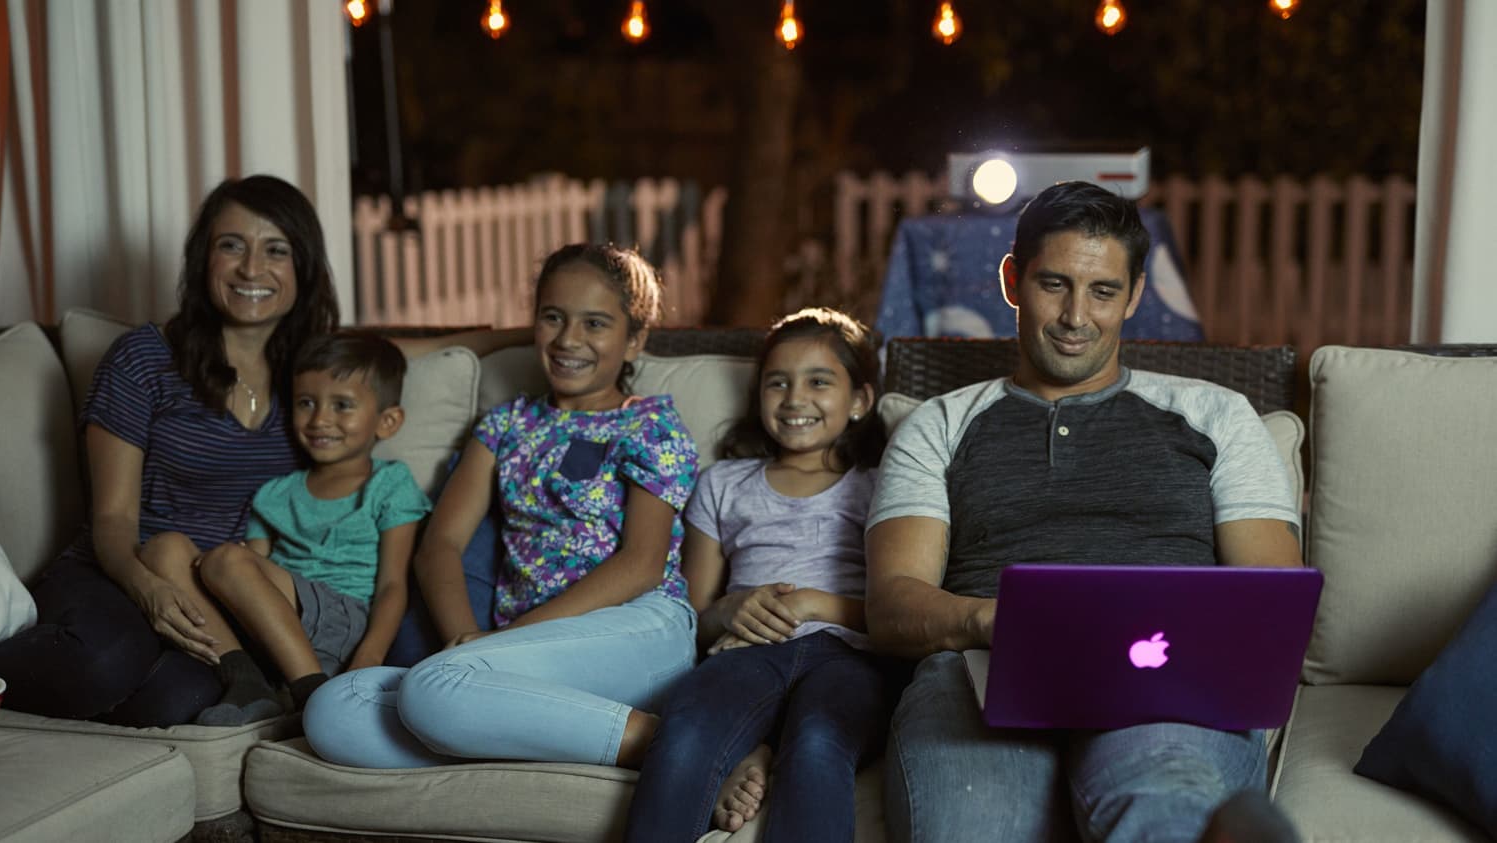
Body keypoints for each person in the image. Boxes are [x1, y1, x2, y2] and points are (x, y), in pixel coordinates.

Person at [865, 181, 1304, 843]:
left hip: (1163, 679)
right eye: (1054, 284)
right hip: (983, 669)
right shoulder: (938, 425)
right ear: (1013, 279)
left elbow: (1271, 606)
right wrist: (991, 619)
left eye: (1102, 291)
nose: (1076, 315)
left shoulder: (1217, 416)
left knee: (1164, 808)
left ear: (1133, 294)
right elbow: (893, 605)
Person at [302, 243, 699, 770]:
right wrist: (464, 642)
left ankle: (680, 745)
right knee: (335, 708)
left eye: (595, 324)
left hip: (638, 627)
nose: (568, 340)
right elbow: (439, 547)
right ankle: (513, 727)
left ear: (635, 340)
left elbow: (642, 564)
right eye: (552, 317)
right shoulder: (506, 424)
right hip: (512, 655)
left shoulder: (650, 425)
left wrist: (499, 645)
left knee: (435, 689)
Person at [0, 175, 340, 727]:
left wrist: (503, 338)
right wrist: (150, 591)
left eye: (276, 250)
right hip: (115, 572)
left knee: (180, 701)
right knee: (104, 662)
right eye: (232, 245)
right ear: (203, 259)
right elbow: (112, 519)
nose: (252, 269)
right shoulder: (143, 359)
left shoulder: (311, 379)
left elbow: (403, 354)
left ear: (304, 268)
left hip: (214, 600)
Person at [626, 307, 895, 843]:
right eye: (778, 383)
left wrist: (815, 604)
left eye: (819, 381)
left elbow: (905, 612)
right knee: (685, 734)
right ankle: (755, 746)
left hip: (851, 656)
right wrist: (727, 610)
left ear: (860, 400)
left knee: (820, 742)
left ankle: (767, 747)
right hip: (745, 651)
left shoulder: (882, 485)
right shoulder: (724, 483)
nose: (795, 399)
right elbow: (694, 616)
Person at [136, 333, 431, 726]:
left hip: (342, 619)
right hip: (271, 626)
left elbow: (394, 585)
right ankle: (245, 679)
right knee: (164, 549)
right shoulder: (275, 493)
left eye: (342, 405)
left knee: (226, 558)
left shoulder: (390, 485)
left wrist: (369, 658)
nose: (320, 419)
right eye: (306, 403)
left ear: (388, 421)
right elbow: (251, 568)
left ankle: (316, 695)